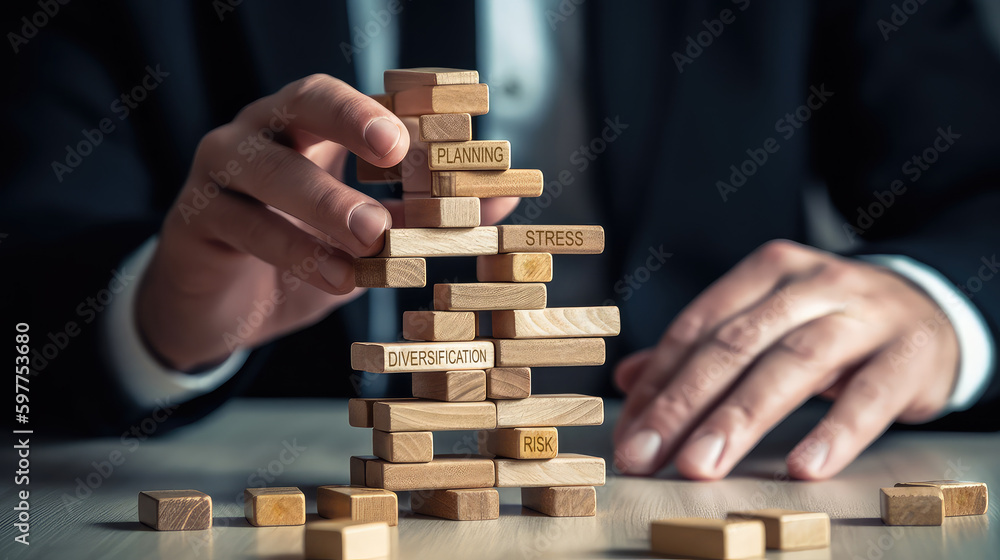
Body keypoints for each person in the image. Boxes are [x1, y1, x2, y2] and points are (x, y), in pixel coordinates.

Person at [2, 0, 997, 481]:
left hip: (686, 469)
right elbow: (24, 281)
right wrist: (154, 318)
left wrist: (940, 304)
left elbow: (981, 189)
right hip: (294, 478)